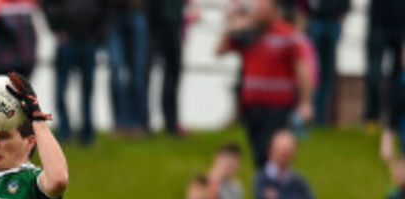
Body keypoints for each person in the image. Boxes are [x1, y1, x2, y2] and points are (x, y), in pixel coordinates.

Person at [218, 0, 312, 167]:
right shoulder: (248, 35)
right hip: (253, 107)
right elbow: (220, 50)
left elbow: (302, 69)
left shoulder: (286, 35)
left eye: (263, 9)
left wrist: (305, 103)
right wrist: (231, 25)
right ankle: (264, 181)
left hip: (278, 107)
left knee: (271, 153)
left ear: (273, 10)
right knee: (258, 153)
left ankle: (271, 181)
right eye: (257, 8)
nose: (259, 13)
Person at [43, 0, 111, 145]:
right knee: (61, 90)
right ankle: (64, 132)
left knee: (88, 90)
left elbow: (106, 7)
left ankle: (87, 134)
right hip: (66, 37)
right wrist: (56, 28)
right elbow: (47, 5)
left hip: (89, 37)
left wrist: (99, 33)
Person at [147, 0, 195, 135]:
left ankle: (171, 122)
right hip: (154, 19)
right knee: (148, 70)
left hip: (173, 20)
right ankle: (146, 122)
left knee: (173, 72)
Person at [107, 0, 151, 136]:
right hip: (113, 13)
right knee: (116, 71)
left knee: (138, 71)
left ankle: (139, 124)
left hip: (137, 10)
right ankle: (120, 123)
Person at [302, 0, 348, 126]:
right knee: (313, 71)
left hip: (332, 20)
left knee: (326, 74)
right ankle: (309, 114)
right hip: (315, 20)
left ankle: (321, 118)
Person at [364, 0, 405, 126]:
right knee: (374, 73)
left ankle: (393, 118)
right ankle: (374, 116)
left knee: (399, 75)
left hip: (399, 23)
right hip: (379, 22)